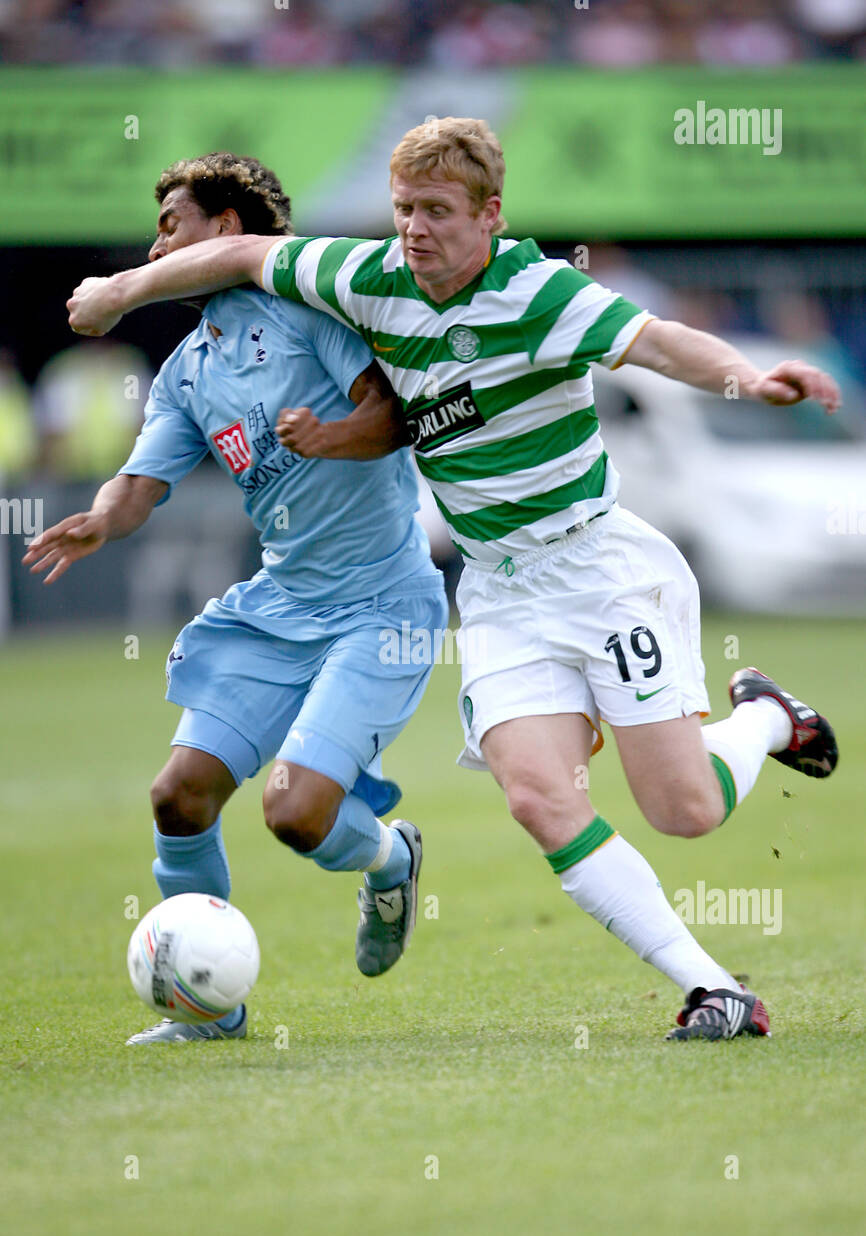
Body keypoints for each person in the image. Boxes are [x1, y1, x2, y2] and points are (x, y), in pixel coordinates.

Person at [64, 120, 840, 1043]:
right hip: (500, 592)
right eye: (402, 211)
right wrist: (119, 291)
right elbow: (241, 250)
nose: (415, 231)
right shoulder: (369, 279)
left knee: (685, 811)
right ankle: (717, 989)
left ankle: (764, 718)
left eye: (436, 212)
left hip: (599, 569)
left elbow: (664, 343)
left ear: (490, 214)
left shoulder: (539, 292)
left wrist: (752, 378)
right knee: (536, 797)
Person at [27, 152, 447, 1044]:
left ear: (226, 230)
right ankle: (209, 1012)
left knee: (295, 813)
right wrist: (100, 520)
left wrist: (330, 436)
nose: (155, 245)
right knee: (179, 797)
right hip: (282, 605)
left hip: (381, 604)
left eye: (170, 225)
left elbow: (393, 416)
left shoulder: (306, 309)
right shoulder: (186, 369)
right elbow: (140, 484)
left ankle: (390, 857)